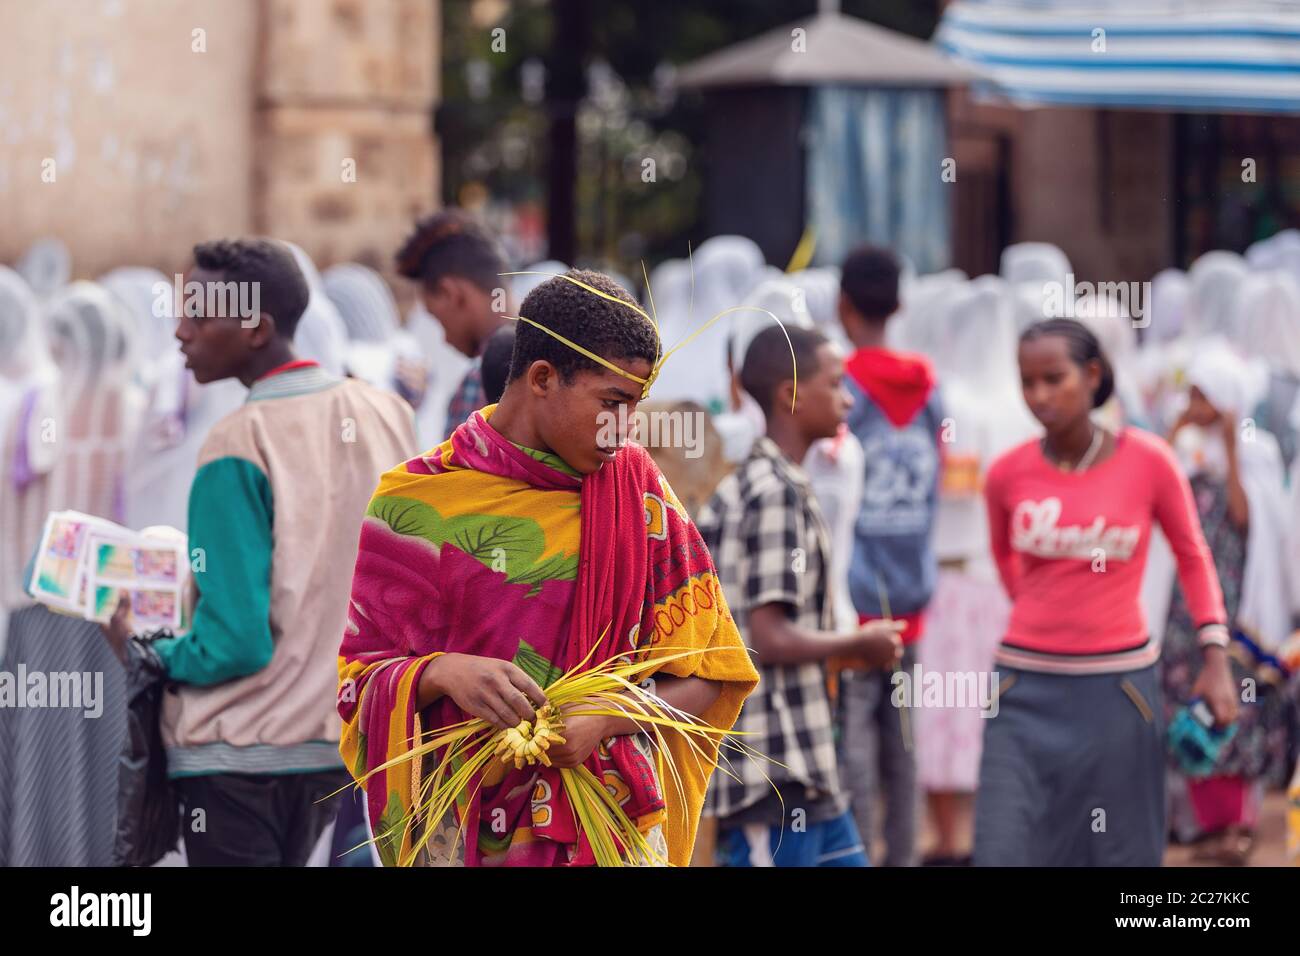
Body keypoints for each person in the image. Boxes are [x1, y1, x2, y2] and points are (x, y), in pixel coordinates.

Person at [337, 269, 758, 867]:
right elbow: (359, 684)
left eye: (634, 407)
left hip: (609, 836)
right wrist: (444, 673)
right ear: (541, 379)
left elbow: (712, 675)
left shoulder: (640, 499)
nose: (626, 431)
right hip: (463, 842)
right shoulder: (415, 506)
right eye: (612, 403)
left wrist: (612, 713)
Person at [101, 238, 418, 866]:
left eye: (198, 314)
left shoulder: (237, 442)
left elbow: (235, 642)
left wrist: (146, 645)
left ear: (256, 327)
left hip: (238, 752)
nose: (180, 333)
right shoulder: (387, 414)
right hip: (338, 742)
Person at [976, 318, 1237, 866]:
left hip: (1120, 691)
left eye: (1054, 378)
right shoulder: (1006, 473)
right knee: (1005, 847)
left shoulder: (1149, 462)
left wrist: (1215, 657)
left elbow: (1194, 557)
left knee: (1120, 853)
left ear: (1093, 375)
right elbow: (1004, 558)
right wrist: (1045, 609)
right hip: (1022, 689)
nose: (1038, 395)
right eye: (1027, 381)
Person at [698, 325, 903, 867]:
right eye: (836, 384)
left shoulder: (773, 483)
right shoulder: (774, 493)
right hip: (772, 764)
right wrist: (861, 640)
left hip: (802, 759)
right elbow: (768, 636)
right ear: (791, 394)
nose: (848, 399)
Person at [0, 279, 139, 866]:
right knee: (102, 743)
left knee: (38, 750)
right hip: (110, 618)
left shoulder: (32, 404)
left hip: (40, 611)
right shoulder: (136, 407)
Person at [834, 244, 945, 867]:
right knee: (903, 747)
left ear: (841, 304)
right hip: (913, 599)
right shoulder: (931, 391)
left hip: (853, 606)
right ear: (901, 304)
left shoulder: (836, 385)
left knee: (852, 745)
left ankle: (853, 855)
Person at [1160, 345, 1292, 865]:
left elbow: (1243, 518)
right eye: (1191, 393)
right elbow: (1152, 487)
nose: (1196, 404)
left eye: (1204, 394)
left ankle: (1235, 825)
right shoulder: (1182, 447)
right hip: (1181, 604)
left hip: (1234, 599)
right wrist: (1173, 431)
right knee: (1182, 693)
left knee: (1236, 699)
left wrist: (1233, 450)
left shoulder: (1254, 450)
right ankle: (1193, 824)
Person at [395, 210, 512, 439]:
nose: (445, 339)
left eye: (438, 320)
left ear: (452, 294)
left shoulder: (478, 379)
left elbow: (448, 475)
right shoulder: (556, 355)